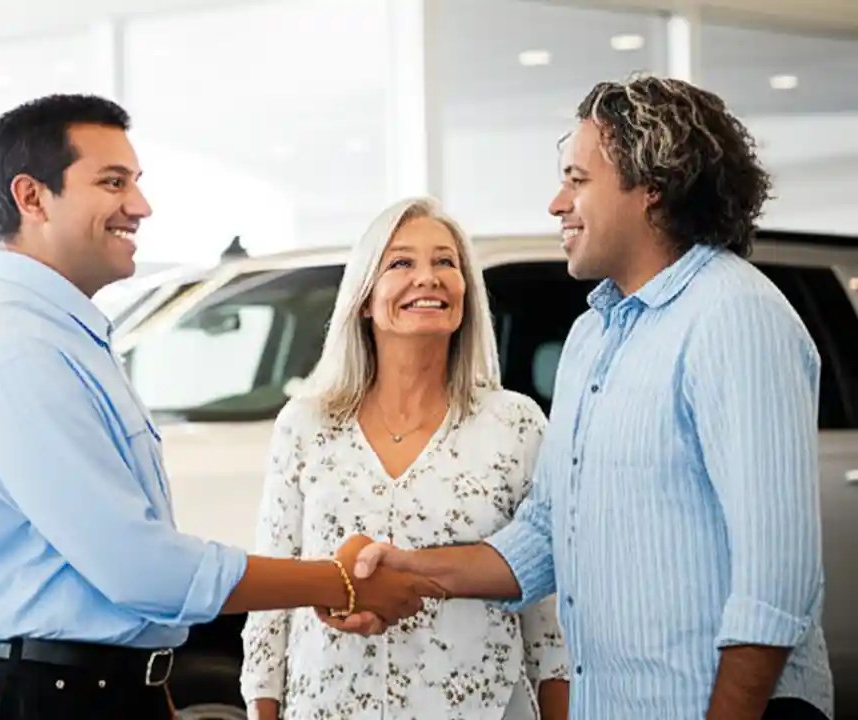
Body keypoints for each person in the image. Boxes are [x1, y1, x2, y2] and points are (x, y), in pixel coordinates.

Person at [0, 93, 440, 720]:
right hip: (42, 699)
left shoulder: (65, 338)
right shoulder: (20, 351)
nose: (140, 206)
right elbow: (140, 567)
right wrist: (339, 581)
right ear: (32, 197)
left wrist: (151, 686)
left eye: (135, 182)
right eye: (113, 182)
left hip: (97, 690)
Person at [334, 77, 834, 719]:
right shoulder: (592, 336)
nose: (556, 203)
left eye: (577, 179)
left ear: (652, 185)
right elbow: (545, 536)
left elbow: (776, 578)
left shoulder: (734, 315)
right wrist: (408, 570)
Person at [239, 197, 570, 720]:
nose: (427, 277)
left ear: (465, 291)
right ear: (364, 299)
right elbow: (271, 611)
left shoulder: (516, 424)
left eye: (445, 262)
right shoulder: (305, 425)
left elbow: (548, 615)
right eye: (400, 262)